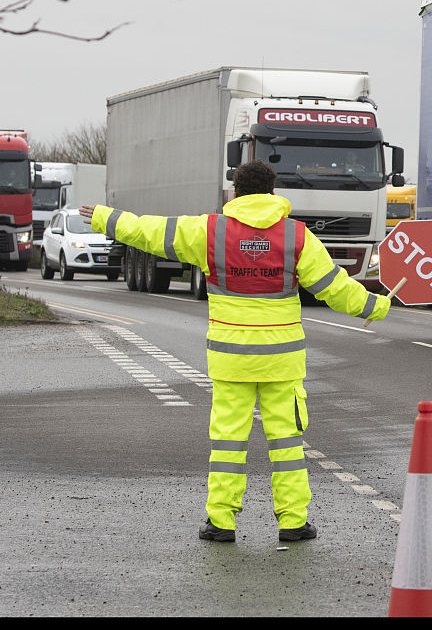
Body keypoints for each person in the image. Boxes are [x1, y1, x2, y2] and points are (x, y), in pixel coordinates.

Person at [79, 160, 390, 543]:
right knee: (288, 444)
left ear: (235, 192)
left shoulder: (211, 231)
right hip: (281, 361)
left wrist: (106, 218)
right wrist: (376, 307)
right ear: (273, 193)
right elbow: (334, 287)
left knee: (227, 441)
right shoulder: (297, 237)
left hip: (231, 360)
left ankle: (221, 522)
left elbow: (151, 231)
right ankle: (293, 522)